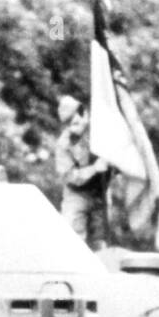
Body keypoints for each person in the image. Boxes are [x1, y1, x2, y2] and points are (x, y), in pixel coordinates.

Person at [55, 95, 111, 249]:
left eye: (78, 120)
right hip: (76, 195)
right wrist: (94, 169)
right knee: (73, 241)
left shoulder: (99, 132)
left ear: (85, 115)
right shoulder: (64, 144)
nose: (75, 126)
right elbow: (70, 176)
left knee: (100, 243)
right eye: (70, 124)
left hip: (99, 194)